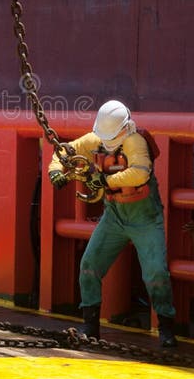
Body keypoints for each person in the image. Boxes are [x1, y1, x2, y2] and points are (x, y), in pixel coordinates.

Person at [48, 100, 178, 347]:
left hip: (145, 218)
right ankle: (90, 325)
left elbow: (140, 172)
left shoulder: (135, 142)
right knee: (89, 264)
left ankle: (166, 328)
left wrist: (103, 181)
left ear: (125, 128)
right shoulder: (96, 140)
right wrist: (55, 170)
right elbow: (64, 151)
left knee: (156, 272)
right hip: (114, 215)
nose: (108, 141)